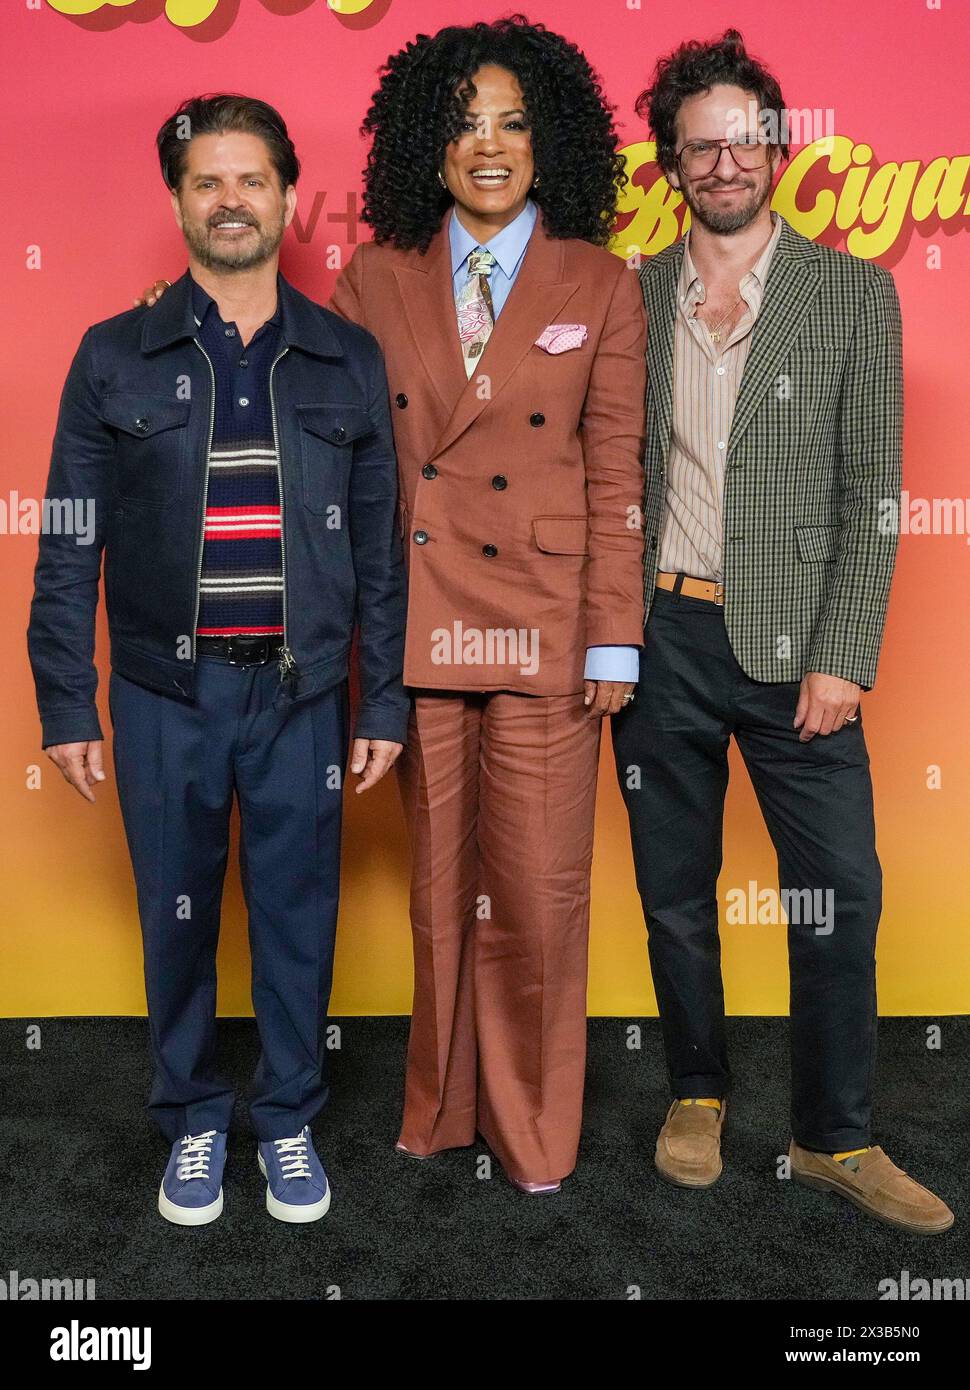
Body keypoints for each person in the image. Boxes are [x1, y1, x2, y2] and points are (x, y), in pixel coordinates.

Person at [27, 94, 408, 1226]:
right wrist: (65, 703)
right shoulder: (114, 354)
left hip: (301, 696)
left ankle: (286, 1119)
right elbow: (68, 544)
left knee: (297, 915)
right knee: (175, 918)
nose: (230, 198)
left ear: (289, 199)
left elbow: (382, 553)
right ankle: (194, 1119)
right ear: (179, 201)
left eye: (251, 179)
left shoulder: (347, 354)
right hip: (161, 693)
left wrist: (379, 695)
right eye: (207, 180)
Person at [612, 29, 953, 1233]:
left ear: (776, 147)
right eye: (698, 143)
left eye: (742, 137)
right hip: (659, 636)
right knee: (672, 891)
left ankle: (834, 1134)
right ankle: (696, 1090)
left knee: (839, 893)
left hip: (797, 646)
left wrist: (842, 655)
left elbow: (874, 487)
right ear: (672, 163)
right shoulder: (628, 292)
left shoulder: (853, 291)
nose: (723, 160)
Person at [331, 17, 646, 1192]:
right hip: (420, 616)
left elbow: (618, 471)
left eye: (513, 120)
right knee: (437, 887)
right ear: (428, 143)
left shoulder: (599, 281)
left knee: (538, 891)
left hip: (548, 622)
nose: (490, 144)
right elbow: (356, 464)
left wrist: (615, 633)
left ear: (549, 138)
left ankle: (530, 1139)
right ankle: (439, 1110)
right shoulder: (373, 274)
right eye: (464, 122)